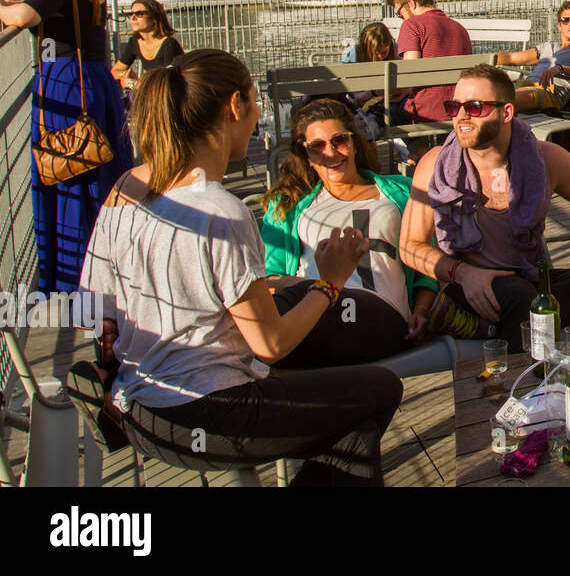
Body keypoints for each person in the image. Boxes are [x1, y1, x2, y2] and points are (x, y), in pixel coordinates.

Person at [78, 49, 403, 485]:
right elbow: (270, 344)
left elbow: (98, 314)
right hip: (209, 412)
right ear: (236, 106)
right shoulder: (222, 211)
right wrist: (329, 281)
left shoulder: (126, 189)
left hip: (136, 405)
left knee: (346, 415)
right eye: (255, 104)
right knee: (381, 390)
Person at [399, 65, 570, 353]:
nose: (461, 116)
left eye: (475, 107)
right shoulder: (435, 165)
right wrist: (463, 273)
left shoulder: (544, 159)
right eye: (454, 106)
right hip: (465, 284)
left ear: (506, 113)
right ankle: (523, 383)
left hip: (527, 276)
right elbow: (409, 246)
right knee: (522, 299)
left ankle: (494, 326)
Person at [260, 98, 492, 365]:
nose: (331, 153)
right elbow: (271, 280)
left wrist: (421, 309)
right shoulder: (287, 205)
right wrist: (324, 286)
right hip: (314, 310)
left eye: (339, 141)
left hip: (379, 315)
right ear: (306, 156)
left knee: (344, 308)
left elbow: (425, 256)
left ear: (355, 143)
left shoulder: (400, 191)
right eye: (317, 146)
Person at [0, 0, 133, 293]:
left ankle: (74, 277)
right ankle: (107, 265)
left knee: (64, 165)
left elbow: (25, 17)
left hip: (64, 83)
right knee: (97, 167)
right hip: (94, 80)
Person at [385, 0, 472, 125]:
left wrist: (375, 94)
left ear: (411, 4)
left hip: (424, 111)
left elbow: (409, 74)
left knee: (376, 113)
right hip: (458, 109)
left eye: (400, 14)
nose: (401, 19)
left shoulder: (412, 26)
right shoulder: (459, 28)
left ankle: (422, 148)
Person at [496, 1, 570, 113]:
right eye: (565, 20)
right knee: (488, 96)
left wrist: (560, 69)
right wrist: (484, 59)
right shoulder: (547, 46)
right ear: (559, 26)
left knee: (502, 102)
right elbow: (511, 58)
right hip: (525, 85)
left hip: (549, 92)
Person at [111, 0, 184, 95]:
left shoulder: (169, 44)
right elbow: (115, 71)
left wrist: (134, 83)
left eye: (139, 14)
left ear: (154, 19)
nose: (133, 18)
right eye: (131, 14)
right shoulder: (134, 42)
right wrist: (124, 75)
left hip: (173, 94)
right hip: (153, 92)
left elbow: (166, 81)